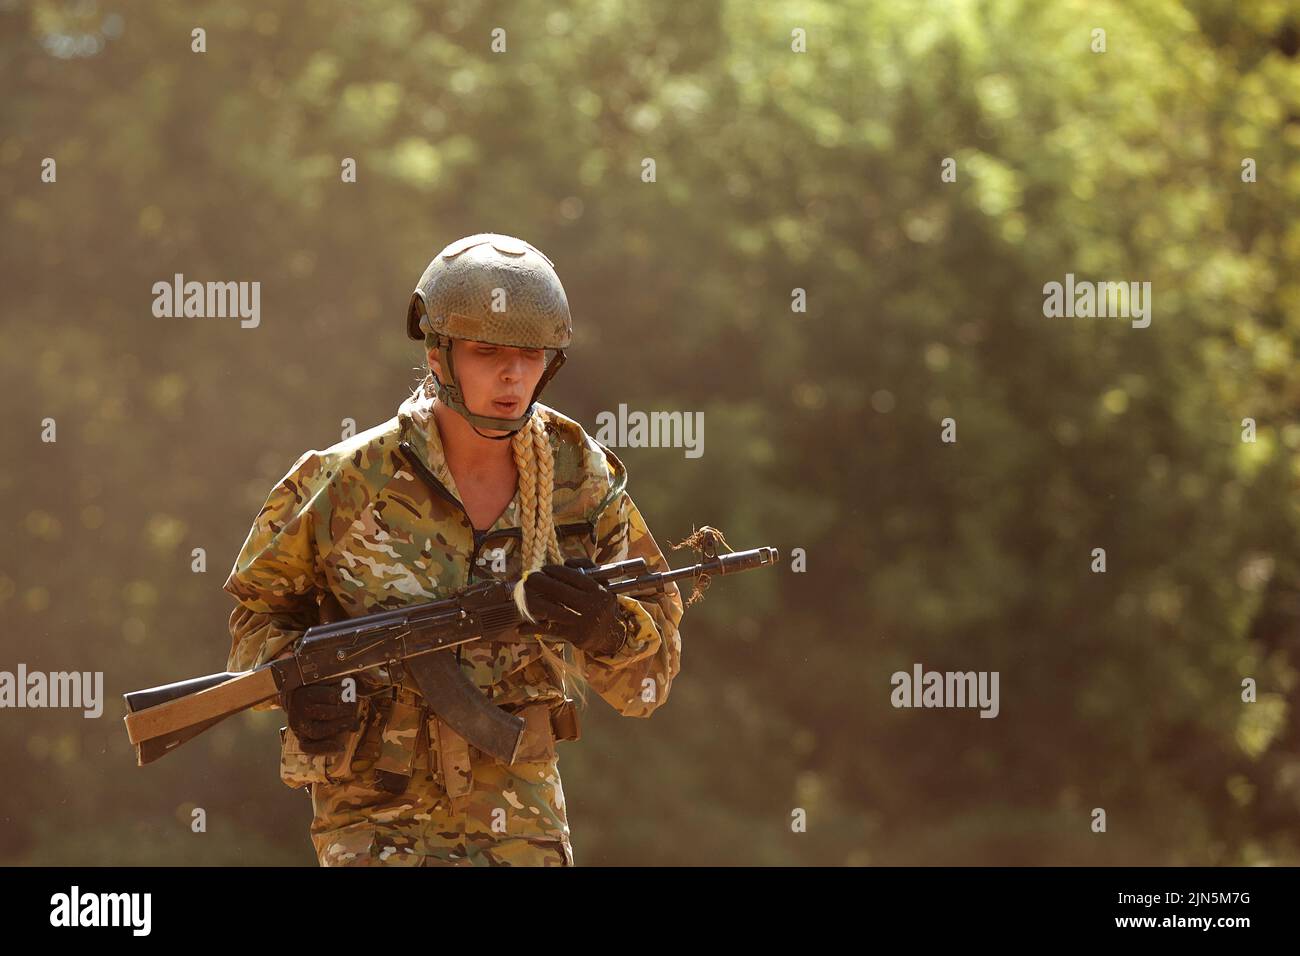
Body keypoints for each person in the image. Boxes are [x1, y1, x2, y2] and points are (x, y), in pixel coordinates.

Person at [221, 233, 685, 866]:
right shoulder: (348, 480)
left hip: (520, 817)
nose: (512, 374)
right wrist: (292, 684)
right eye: (485, 350)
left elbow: (649, 687)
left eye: (530, 353)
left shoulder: (582, 480)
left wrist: (608, 631)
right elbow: (258, 611)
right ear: (438, 356)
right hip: (375, 821)